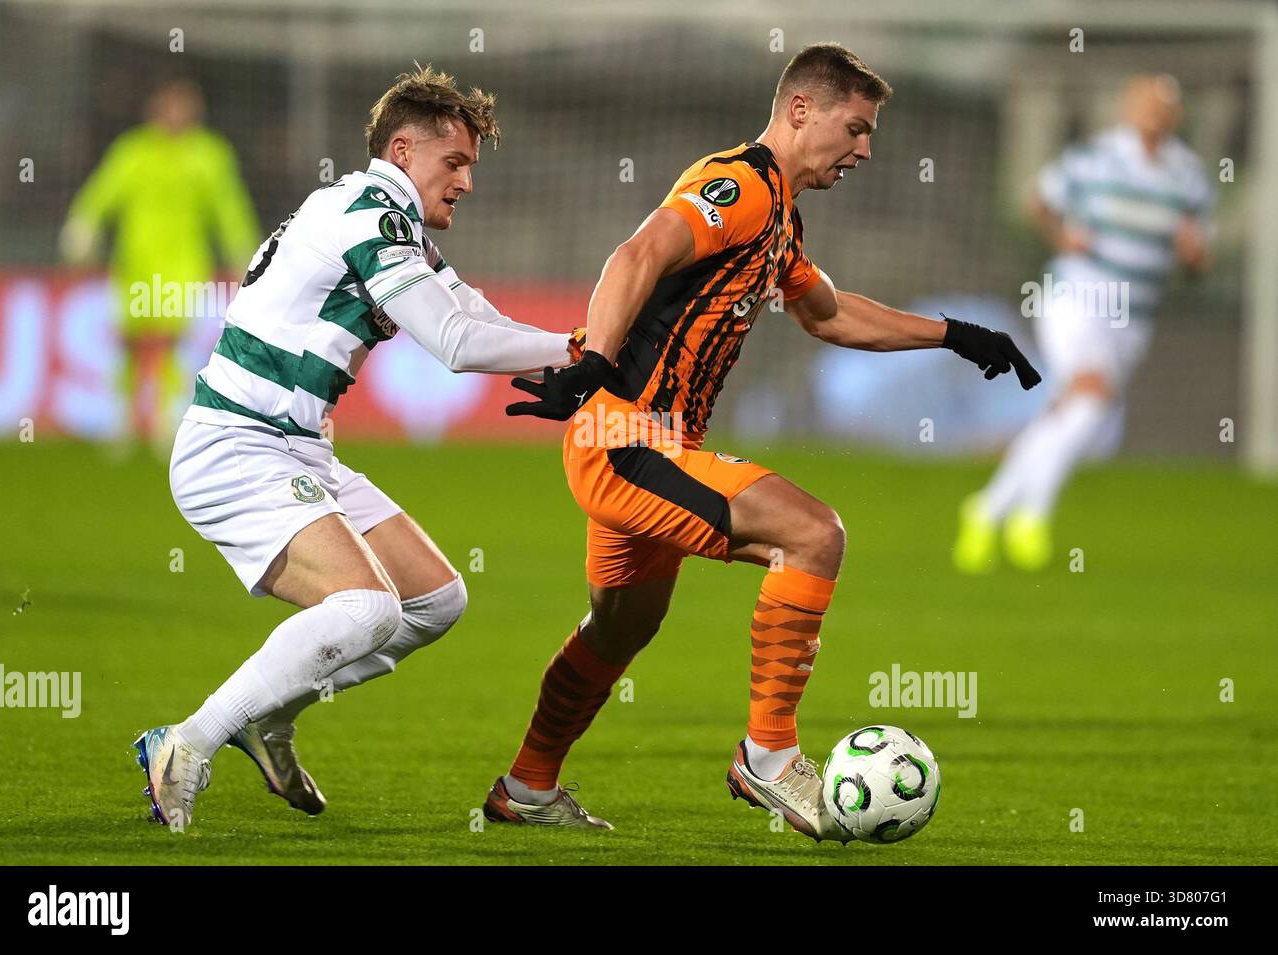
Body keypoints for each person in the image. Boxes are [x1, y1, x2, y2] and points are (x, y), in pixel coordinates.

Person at [485, 44, 1039, 839]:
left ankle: (527, 786)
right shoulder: (738, 185)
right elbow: (637, 252)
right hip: (626, 438)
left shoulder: (781, 214)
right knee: (814, 534)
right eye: (855, 127)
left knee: (620, 627)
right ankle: (769, 756)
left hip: (649, 447)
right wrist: (597, 361)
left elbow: (828, 313)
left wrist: (955, 334)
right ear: (802, 109)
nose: (865, 150)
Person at [134, 66, 584, 829]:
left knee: (435, 599)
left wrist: (577, 352)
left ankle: (265, 716)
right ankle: (187, 742)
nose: (467, 182)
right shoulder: (371, 214)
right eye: (457, 162)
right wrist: (580, 351)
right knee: (369, 605)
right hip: (236, 445)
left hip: (296, 447)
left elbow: (469, 307)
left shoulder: (379, 213)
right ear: (404, 150)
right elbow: (452, 338)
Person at [954, 74, 1212, 573]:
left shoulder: (1189, 176)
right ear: (1130, 108)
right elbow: (1039, 201)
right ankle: (1032, 513)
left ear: (1176, 117)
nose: (1155, 117)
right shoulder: (1096, 157)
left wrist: (1193, 255)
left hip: (1134, 315)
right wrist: (1061, 235)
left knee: (1077, 415)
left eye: (1164, 109)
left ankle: (987, 508)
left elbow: (1199, 259)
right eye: (1147, 106)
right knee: (1090, 396)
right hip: (1080, 294)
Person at [62, 78, 260, 451]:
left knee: (171, 338)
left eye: (183, 107)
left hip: (184, 264)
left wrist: (240, 252)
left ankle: (166, 418)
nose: (175, 115)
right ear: (155, 109)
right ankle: (123, 416)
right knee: (133, 340)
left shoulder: (209, 154)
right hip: (135, 262)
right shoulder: (133, 151)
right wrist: (83, 224)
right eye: (169, 106)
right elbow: (103, 191)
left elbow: (229, 207)